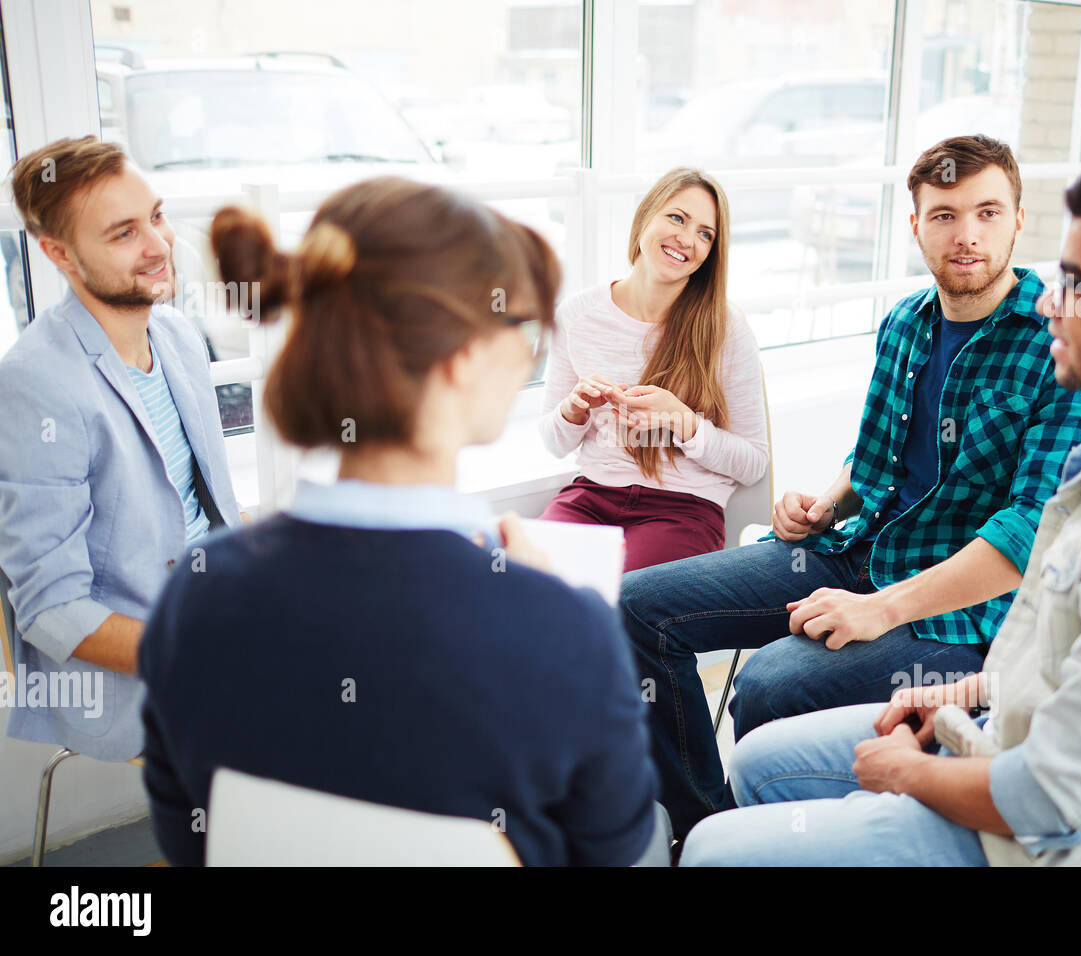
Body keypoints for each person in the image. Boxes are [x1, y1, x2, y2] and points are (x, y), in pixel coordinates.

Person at [681, 153, 1081, 866]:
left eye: (1076, 285)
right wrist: (966, 693)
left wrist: (912, 772)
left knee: (709, 851)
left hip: (1010, 839)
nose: (1046, 303)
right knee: (758, 761)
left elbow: (1055, 804)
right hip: (995, 725)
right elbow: (1070, 660)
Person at [137, 177, 663, 867]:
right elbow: (612, 848)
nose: (532, 354)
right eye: (524, 326)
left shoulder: (192, 600)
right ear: (464, 358)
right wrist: (549, 606)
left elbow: (189, 841)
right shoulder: (568, 634)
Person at [621, 135, 1081, 839]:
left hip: (961, 612)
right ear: (915, 226)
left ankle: (774, 838)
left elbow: (1031, 528)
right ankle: (706, 829)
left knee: (770, 684)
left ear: (1019, 221)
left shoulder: (1060, 341)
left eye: (987, 213)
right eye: (943, 215)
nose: (966, 235)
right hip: (859, 551)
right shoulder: (905, 323)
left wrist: (880, 609)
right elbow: (873, 458)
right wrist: (825, 502)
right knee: (638, 607)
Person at [0, 136, 240, 762]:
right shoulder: (37, 386)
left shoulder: (177, 333)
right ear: (59, 254)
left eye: (156, 216)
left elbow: (206, 514)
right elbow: (52, 610)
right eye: (123, 233)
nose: (159, 246)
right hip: (144, 669)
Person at [538, 167, 768, 572]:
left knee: (627, 602)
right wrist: (573, 411)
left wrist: (682, 421)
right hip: (592, 497)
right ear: (646, 215)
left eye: (705, 233)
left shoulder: (726, 328)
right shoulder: (577, 316)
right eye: (677, 217)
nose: (686, 239)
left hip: (683, 510)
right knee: (528, 584)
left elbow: (753, 462)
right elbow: (554, 443)